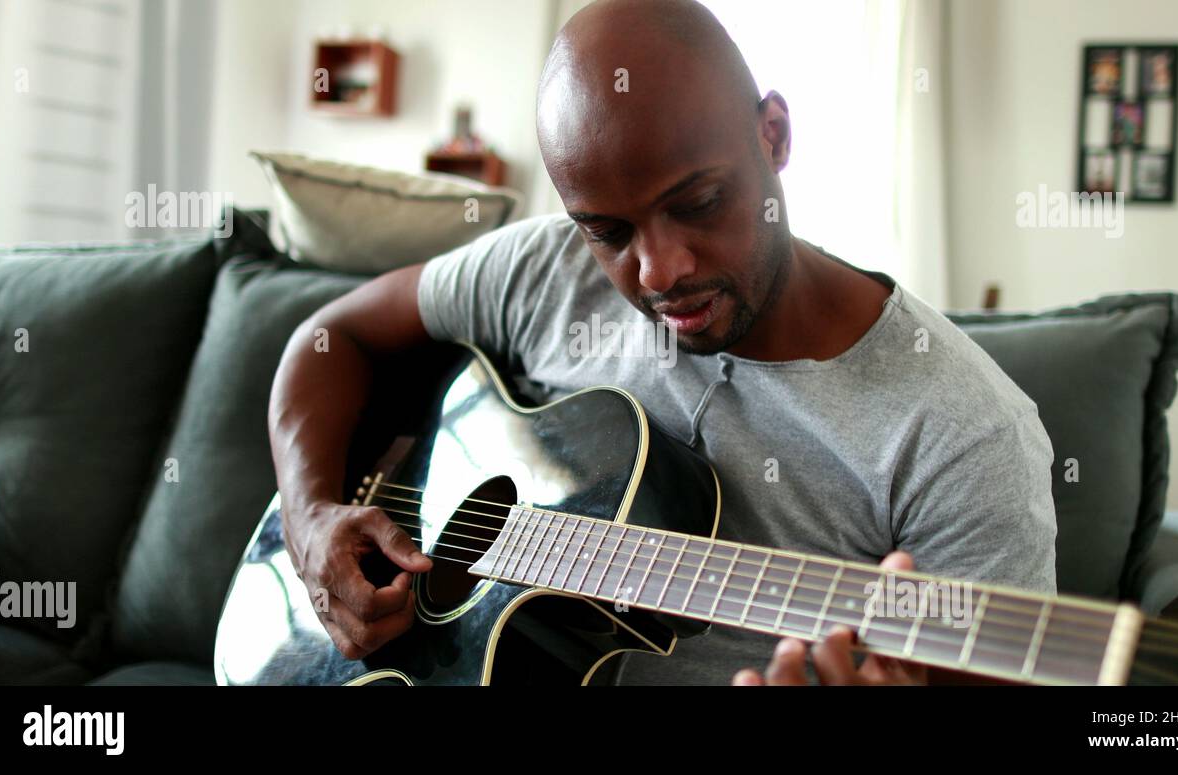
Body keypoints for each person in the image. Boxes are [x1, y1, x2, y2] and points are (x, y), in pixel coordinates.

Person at [267, 0, 1057, 686]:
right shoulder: (543, 266)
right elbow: (330, 336)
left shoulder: (966, 433)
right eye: (608, 231)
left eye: (701, 202)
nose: (659, 270)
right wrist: (308, 522)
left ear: (774, 137)